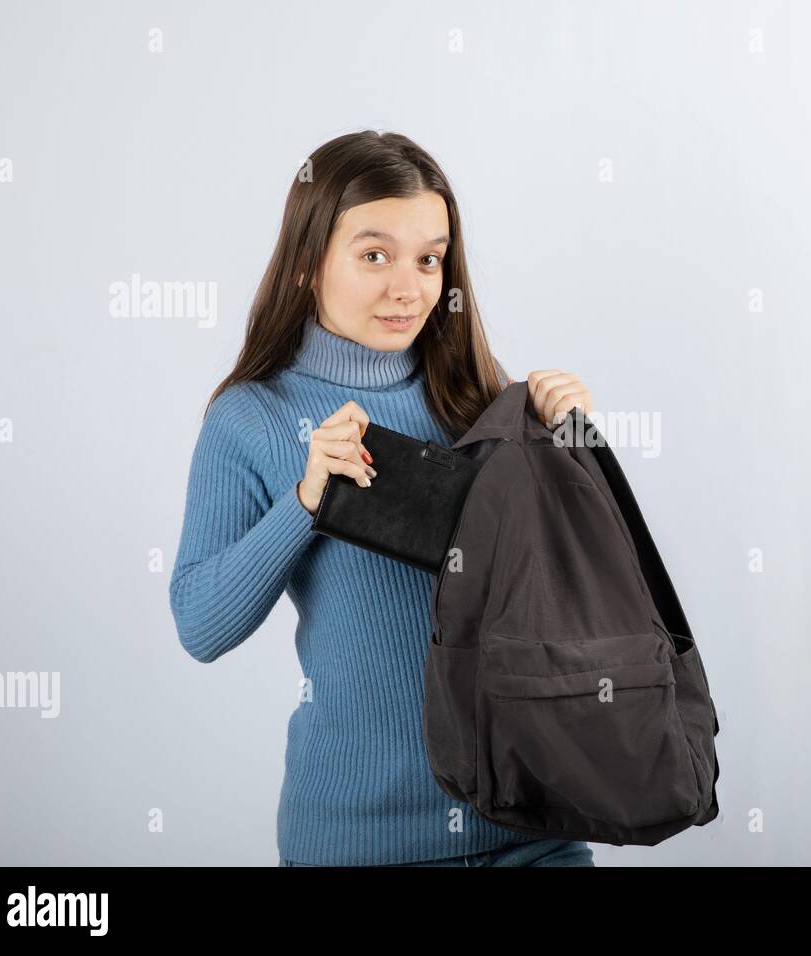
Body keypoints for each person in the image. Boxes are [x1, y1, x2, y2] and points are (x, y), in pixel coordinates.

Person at [169, 130, 595, 867]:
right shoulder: (254, 418)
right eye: (375, 255)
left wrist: (575, 452)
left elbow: (569, 584)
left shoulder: (480, 397)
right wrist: (307, 502)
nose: (409, 288)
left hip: (534, 826)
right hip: (361, 842)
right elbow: (200, 625)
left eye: (429, 258)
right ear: (307, 262)